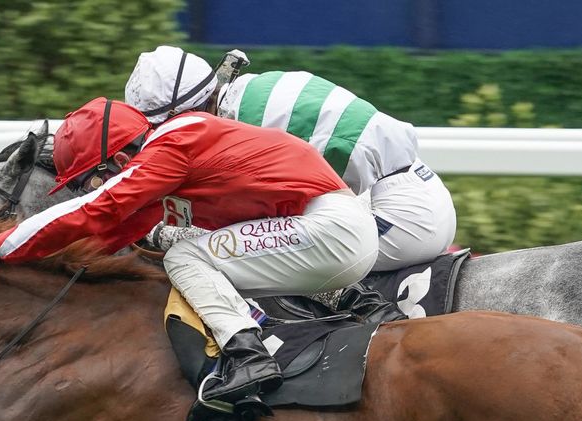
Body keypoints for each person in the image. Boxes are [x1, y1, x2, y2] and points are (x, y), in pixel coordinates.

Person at [0, 97, 378, 405]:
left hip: (330, 227)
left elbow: (99, 208)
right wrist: (25, 267)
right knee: (189, 253)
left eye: (90, 177)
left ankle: (249, 357)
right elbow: (105, 240)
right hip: (328, 236)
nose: (93, 187)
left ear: (119, 159)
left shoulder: (175, 141)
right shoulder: (165, 182)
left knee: (186, 256)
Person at [125, 45, 456, 274]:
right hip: (418, 194)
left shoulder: (241, 124)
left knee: (225, 255)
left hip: (400, 219)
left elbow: (240, 225)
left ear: (186, 110)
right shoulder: (249, 90)